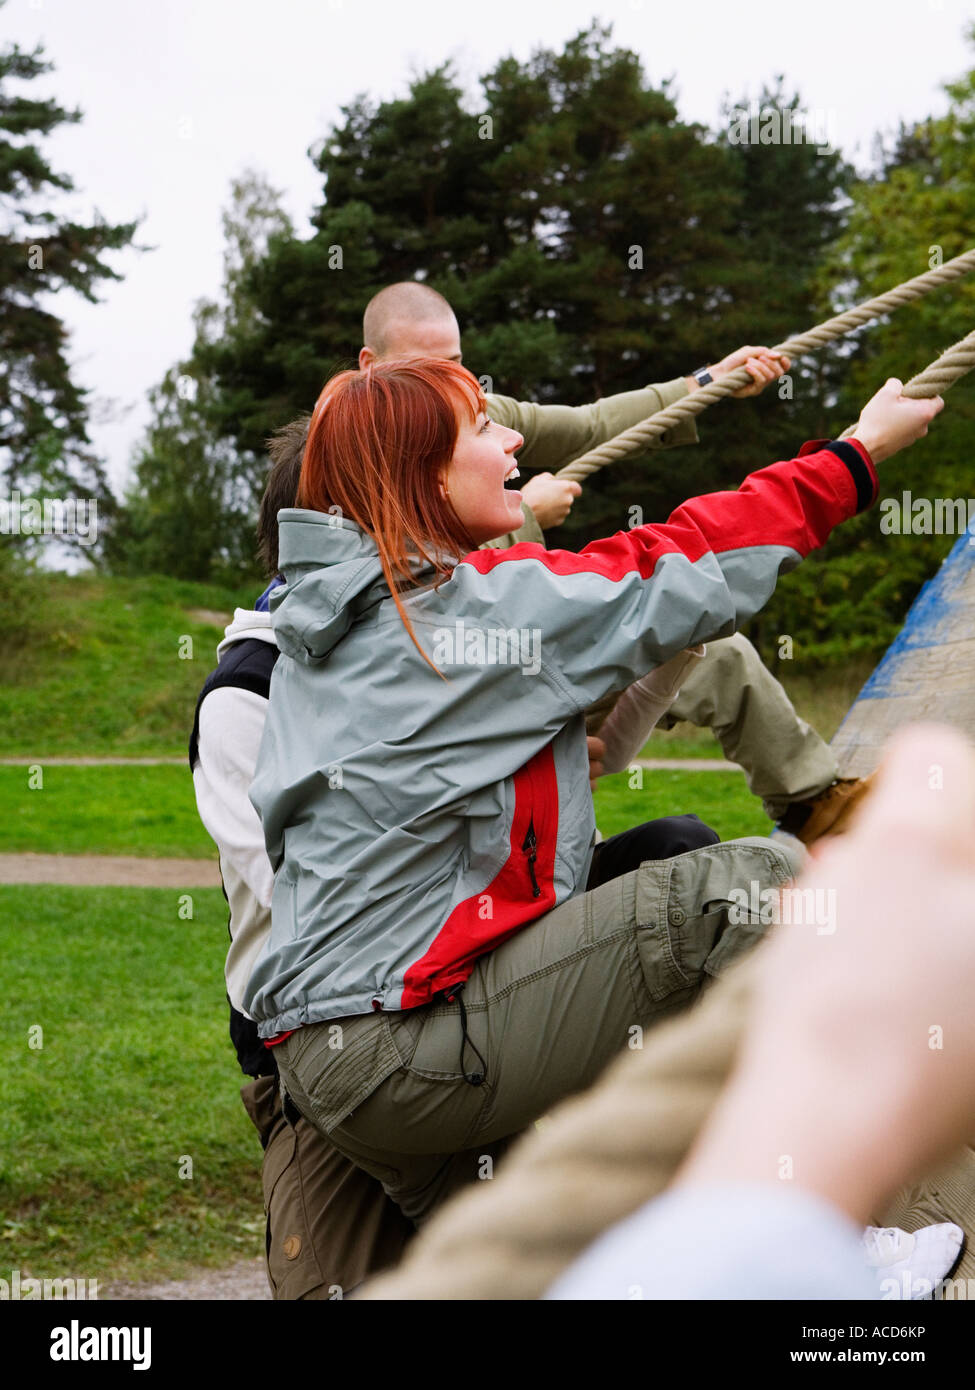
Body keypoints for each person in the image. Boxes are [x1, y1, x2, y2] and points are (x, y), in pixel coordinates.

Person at [243, 360, 941, 1227]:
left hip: (352, 1061)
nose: (512, 440)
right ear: (424, 476)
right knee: (746, 886)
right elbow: (681, 559)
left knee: (583, 1245)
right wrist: (857, 453)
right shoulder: (459, 622)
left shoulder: (345, 623)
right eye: (481, 429)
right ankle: (866, 1188)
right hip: (403, 1049)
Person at [358, 281, 869, 841]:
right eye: (421, 367)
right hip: (481, 707)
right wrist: (522, 511)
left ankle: (815, 806)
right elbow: (452, 599)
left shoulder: (480, 412)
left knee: (718, 654)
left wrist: (705, 383)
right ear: (370, 365)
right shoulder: (354, 458)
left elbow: (590, 426)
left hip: (541, 668)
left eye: (455, 364)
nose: (448, 385)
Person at [546, 724, 971, 1300]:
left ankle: (769, 1197)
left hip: (533, 886)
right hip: (441, 973)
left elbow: (607, 743)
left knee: (683, 842)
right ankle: (801, 1212)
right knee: (749, 875)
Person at [190, 422, 414, 1299]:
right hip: (311, 1043)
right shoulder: (246, 694)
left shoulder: (426, 642)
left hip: (443, 999)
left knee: (674, 850)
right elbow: (304, 907)